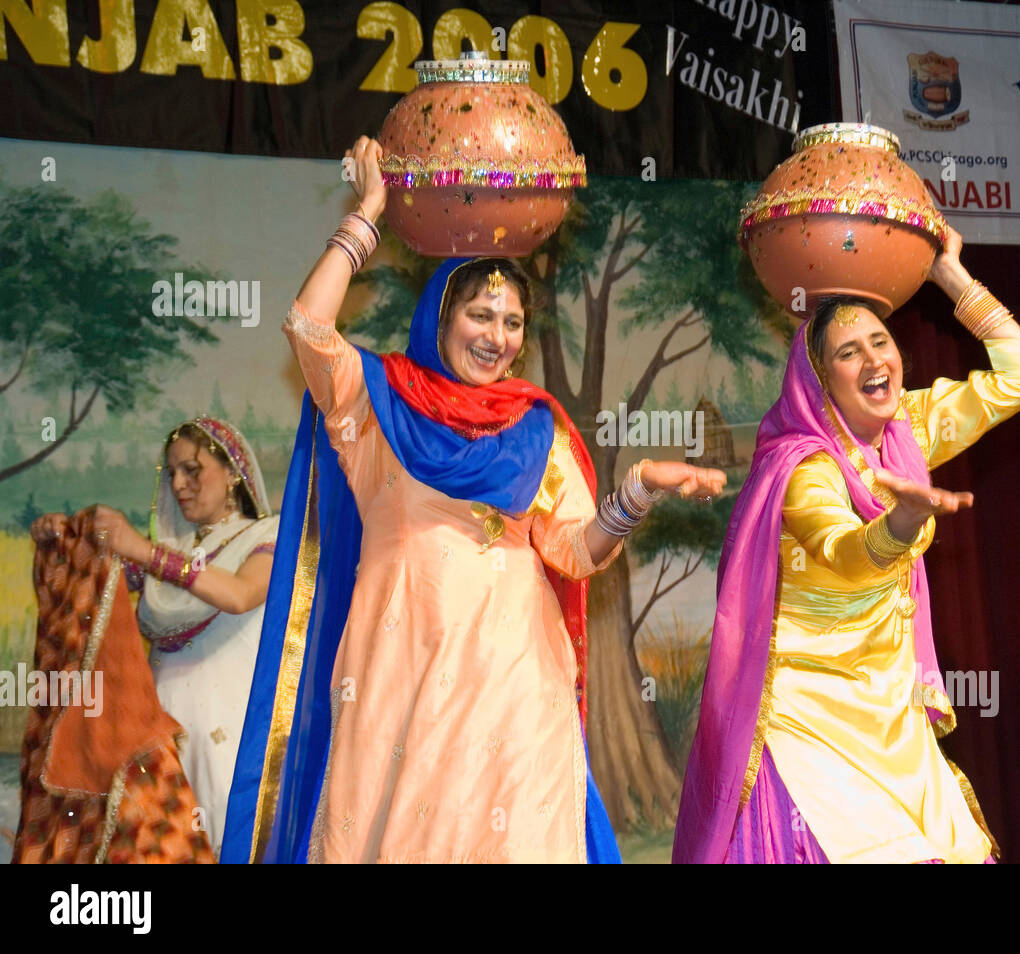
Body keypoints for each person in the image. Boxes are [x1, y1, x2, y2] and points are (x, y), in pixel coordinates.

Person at [223, 135, 725, 864]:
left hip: (518, 668)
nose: (496, 337)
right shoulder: (378, 398)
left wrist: (638, 492)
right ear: (440, 316)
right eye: (480, 316)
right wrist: (367, 216)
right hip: (402, 659)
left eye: (512, 322)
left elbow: (572, 551)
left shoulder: (535, 427)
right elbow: (308, 326)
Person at [674, 225, 1020, 863]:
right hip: (812, 727)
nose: (875, 360)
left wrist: (951, 278)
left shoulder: (907, 429)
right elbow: (846, 551)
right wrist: (902, 520)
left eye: (881, 340)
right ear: (820, 380)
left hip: (891, 715)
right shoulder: (803, 469)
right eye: (849, 352)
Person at [88, 417, 278, 859]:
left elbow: (239, 594)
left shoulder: (267, 535)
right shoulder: (164, 558)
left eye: (192, 469)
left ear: (232, 471)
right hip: (161, 741)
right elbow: (94, 592)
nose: (178, 483)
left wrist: (145, 551)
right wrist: (64, 536)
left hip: (231, 741)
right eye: (171, 472)